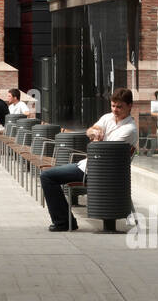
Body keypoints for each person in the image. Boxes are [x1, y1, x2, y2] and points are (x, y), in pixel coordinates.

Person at [38, 88, 138, 231]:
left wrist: (95, 141)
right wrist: (94, 132)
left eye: (119, 107)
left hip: (101, 172)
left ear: (130, 106)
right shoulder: (107, 117)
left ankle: (63, 222)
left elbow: (104, 152)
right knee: (47, 175)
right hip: (89, 166)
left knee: (47, 177)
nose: (115, 110)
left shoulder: (129, 129)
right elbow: (90, 130)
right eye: (113, 105)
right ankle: (64, 221)